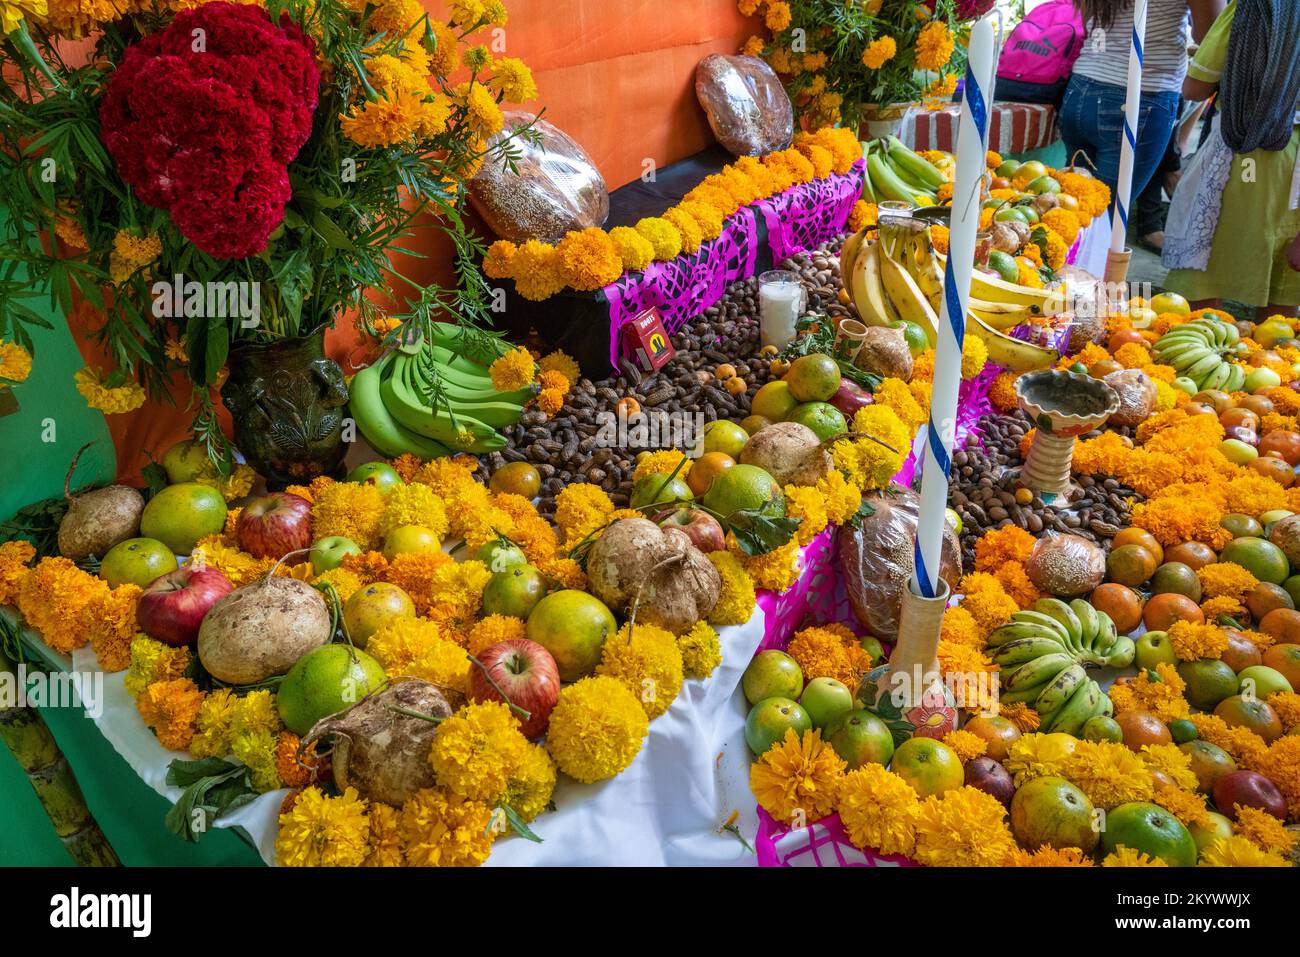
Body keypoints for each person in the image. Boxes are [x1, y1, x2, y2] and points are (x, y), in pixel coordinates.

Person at [1164, 1, 1300, 319]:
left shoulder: (1252, 9)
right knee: (1283, 283)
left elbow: (1196, 88)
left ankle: (1202, 351)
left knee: (1208, 268)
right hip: (1291, 161)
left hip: (1244, 153)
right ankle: (1269, 358)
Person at [1059, 0, 1224, 203]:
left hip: (1080, 89)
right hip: (1139, 97)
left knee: (1072, 206)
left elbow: (1088, 22)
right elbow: (1213, 34)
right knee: (1106, 216)